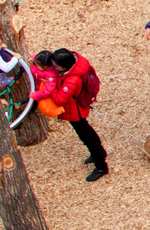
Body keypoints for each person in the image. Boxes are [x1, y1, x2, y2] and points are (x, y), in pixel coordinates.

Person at [37, 48, 107, 182]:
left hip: (75, 112)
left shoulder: (72, 81)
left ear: (64, 66)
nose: (53, 67)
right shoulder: (72, 67)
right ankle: (100, 152)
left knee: (86, 137)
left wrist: (50, 86)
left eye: (56, 65)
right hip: (77, 109)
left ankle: (101, 166)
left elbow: (59, 100)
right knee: (87, 130)